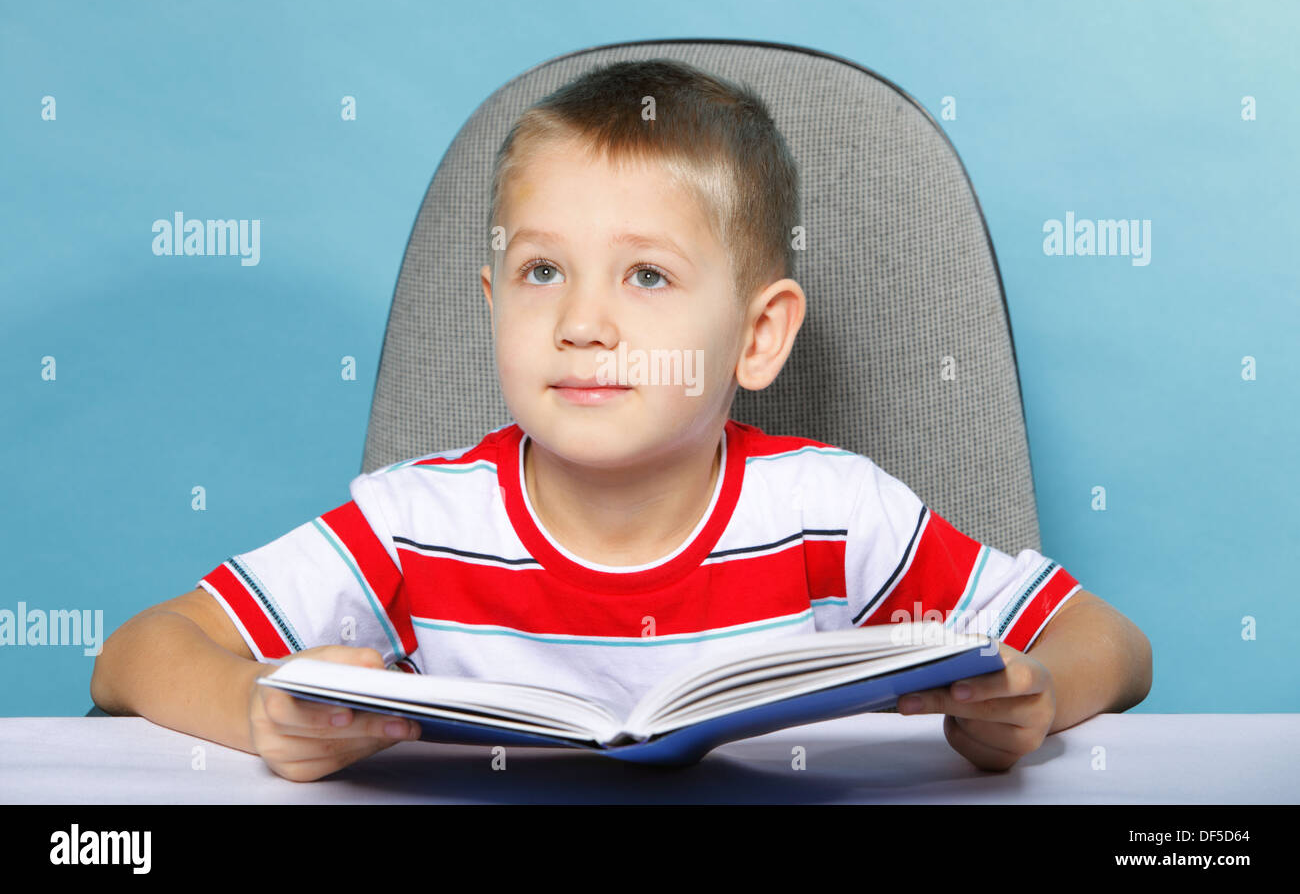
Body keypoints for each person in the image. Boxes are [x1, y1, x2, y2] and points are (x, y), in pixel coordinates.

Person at [91, 58, 1152, 782]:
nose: (583, 321)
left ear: (758, 335)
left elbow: (1110, 640)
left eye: (647, 274)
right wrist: (262, 712)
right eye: (541, 269)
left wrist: (1036, 693)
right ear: (494, 301)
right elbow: (135, 653)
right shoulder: (412, 524)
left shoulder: (831, 513)